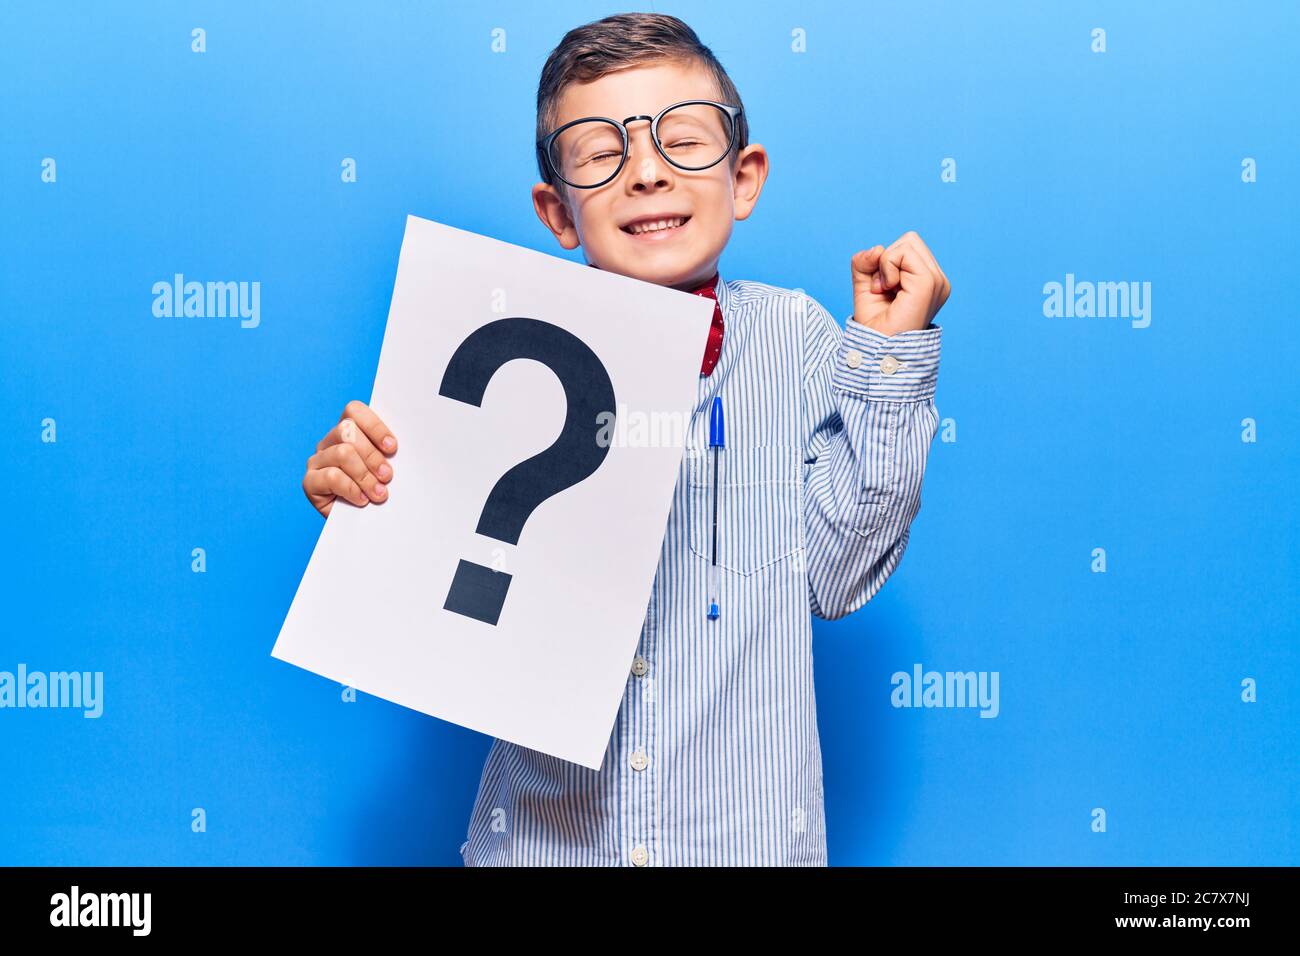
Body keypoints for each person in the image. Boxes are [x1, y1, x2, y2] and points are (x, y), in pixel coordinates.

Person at [301, 12, 950, 865]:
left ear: (744, 178)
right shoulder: (475, 348)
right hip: (546, 844)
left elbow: (836, 573)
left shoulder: (798, 340)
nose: (646, 173)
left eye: (681, 139)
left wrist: (889, 355)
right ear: (556, 210)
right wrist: (363, 505)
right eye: (600, 153)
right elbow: (433, 596)